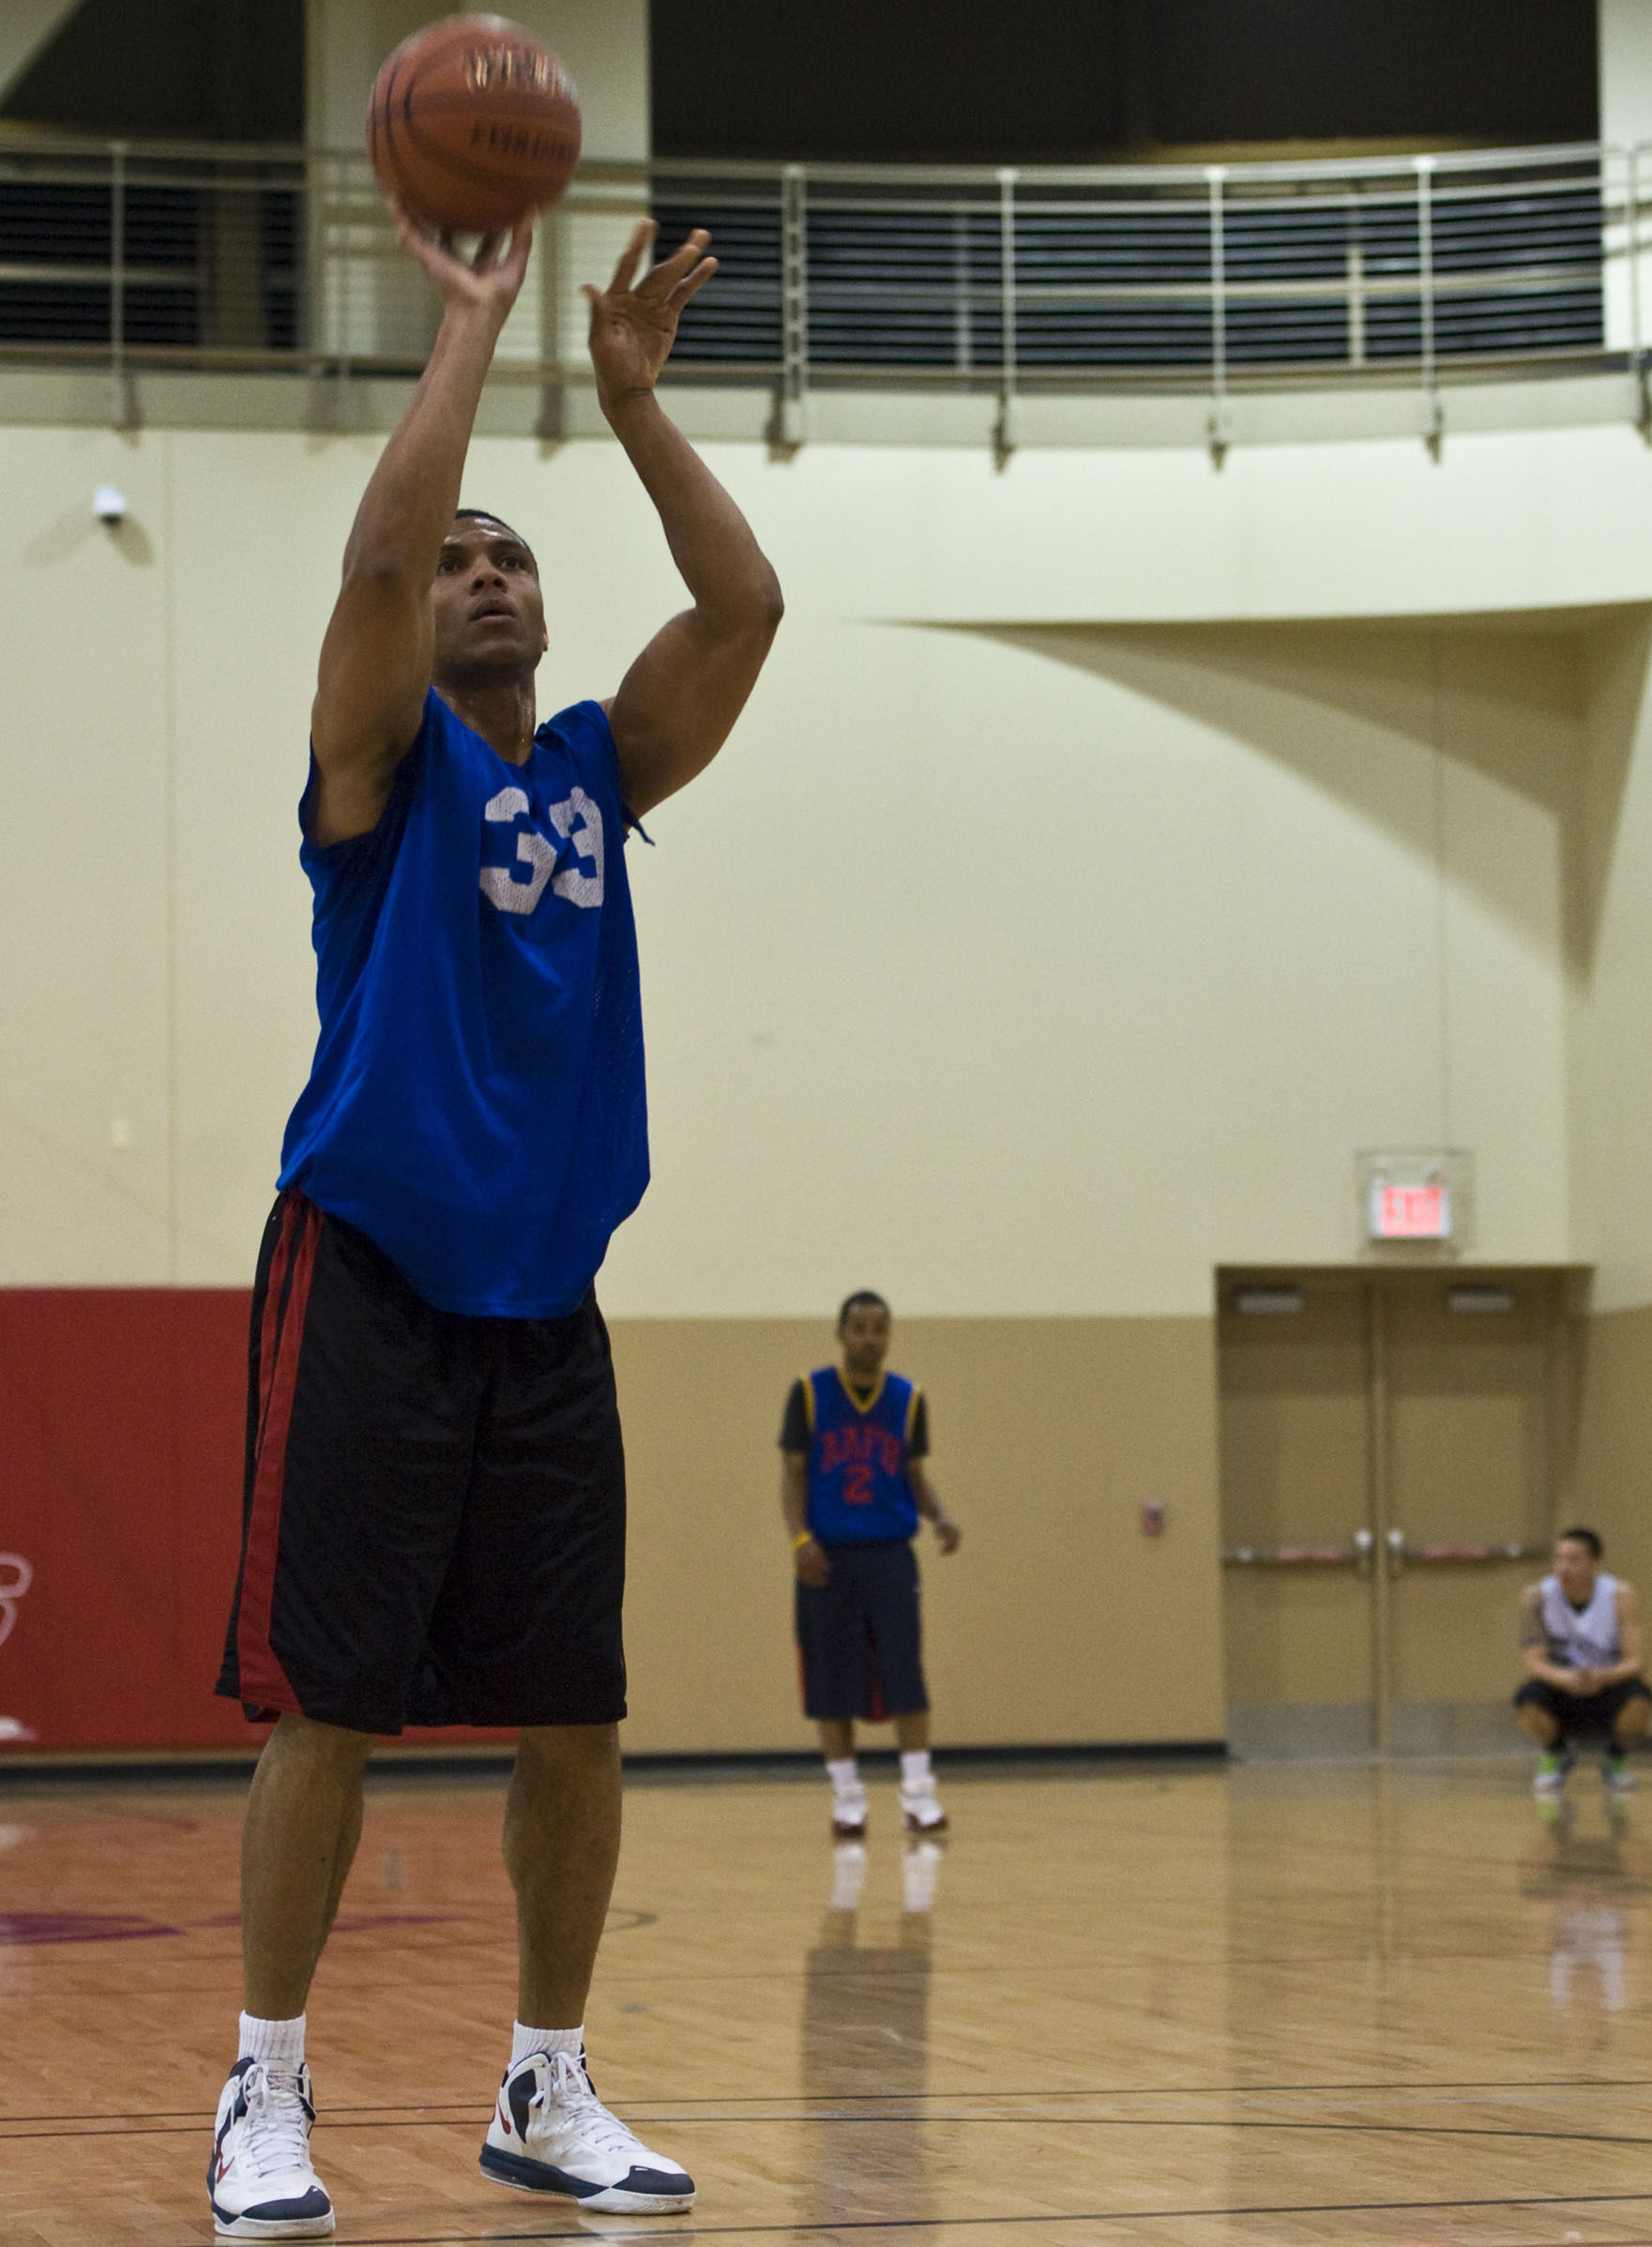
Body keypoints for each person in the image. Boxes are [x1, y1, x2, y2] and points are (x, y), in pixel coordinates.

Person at [204, 197, 781, 2243]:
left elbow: (746, 610)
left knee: (579, 1710)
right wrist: (471, 330)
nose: (476, 571)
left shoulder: (604, 768)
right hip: (366, 1268)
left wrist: (631, 407)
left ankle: (549, 2081)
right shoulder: (375, 775)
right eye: (459, 561)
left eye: (506, 555)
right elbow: (374, 557)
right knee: (330, 1708)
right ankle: (261, 2091)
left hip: (549, 1299)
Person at [781, 1291, 962, 1837]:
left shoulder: (908, 1399)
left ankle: (919, 1794)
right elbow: (792, 1477)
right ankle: (847, 1798)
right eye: (858, 1327)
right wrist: (799, 1541)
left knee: (905, 1674)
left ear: (888, 1336)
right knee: (831, 1683)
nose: (869, 1337)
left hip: (889, 1555)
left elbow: (913, 1474)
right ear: (840, 1333)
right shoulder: (810, 1394)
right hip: (827, 1558)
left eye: (878, 1329)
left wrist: (941, 1515)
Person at [1513, 1529, 1649, 1796]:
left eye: (1574, 1560)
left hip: (1607, 1683)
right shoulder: (1536, 1597)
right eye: (1559, 1559)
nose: (1564, 1567)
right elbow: (1533, 1662)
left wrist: (1603, 1676)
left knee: (1641, 1701)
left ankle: (1616, 1759)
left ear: (1595, 1564)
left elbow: (1637, 1662)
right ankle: (1556, 1753)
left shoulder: (1620, 1595)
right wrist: (1565, 1678)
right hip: (1561, 1684)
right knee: (1527, 1699)